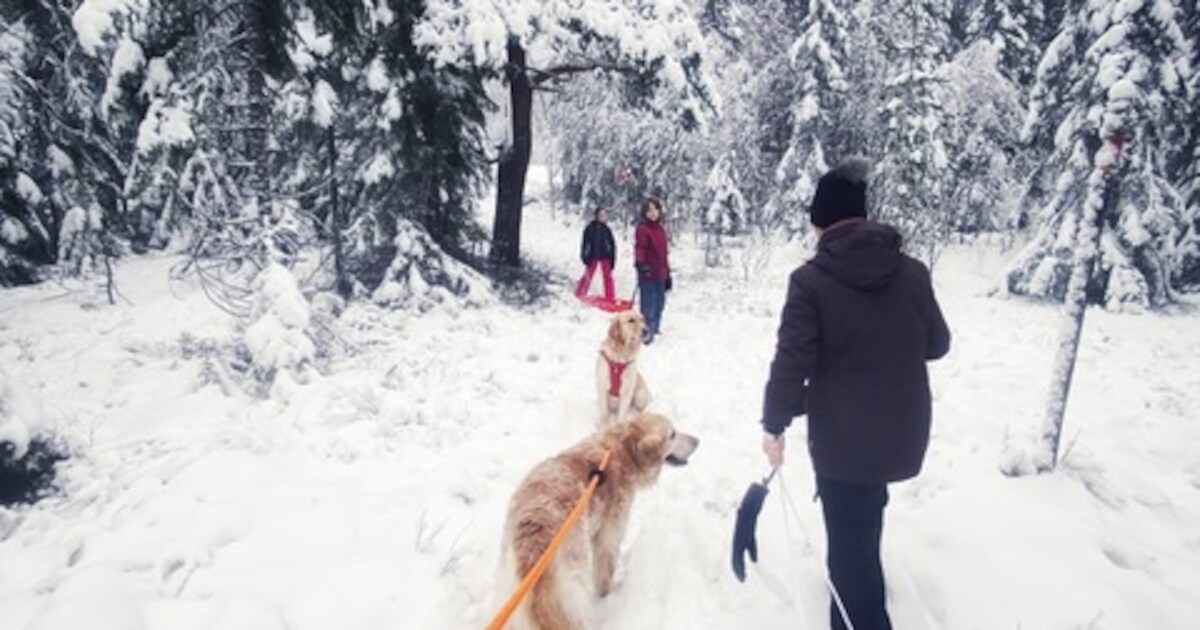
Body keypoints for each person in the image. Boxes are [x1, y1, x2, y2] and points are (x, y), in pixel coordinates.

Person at [760, 157, 950, 630]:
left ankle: (861, 618)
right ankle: (868, 589)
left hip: (843, 439)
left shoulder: (810, 281)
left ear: (819, 222)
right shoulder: (912, 272)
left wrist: (774, 423)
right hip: (898, 431)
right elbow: (938, 343)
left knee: (847, 544)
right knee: (864, 522)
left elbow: (792, 362)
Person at [634, 197, 671, 345]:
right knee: (648, 303)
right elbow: (640, 248)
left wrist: (667, 274)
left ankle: (655, 326)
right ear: (645, 213)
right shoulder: (643, 229)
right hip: (647, 272)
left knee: (660, 302)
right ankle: (646, 331)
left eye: (655, 209)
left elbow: (664, 253)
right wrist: (640, 263)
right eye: (649, 210)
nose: (653, 213)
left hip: (660, 272)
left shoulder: (661, 229)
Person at [576, 206, 617, 300]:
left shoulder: (607, 230)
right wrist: (584, 256)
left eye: (604, 215)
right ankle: (580, 293)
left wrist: (612, 259)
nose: (603, 217)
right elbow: (585, 243)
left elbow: (612, 246)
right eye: (601, 215)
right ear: (596, 216)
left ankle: (610, 297)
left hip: (605, 256)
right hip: (592, 256)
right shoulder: (590, 228)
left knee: (608, 277)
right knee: (588, 274)